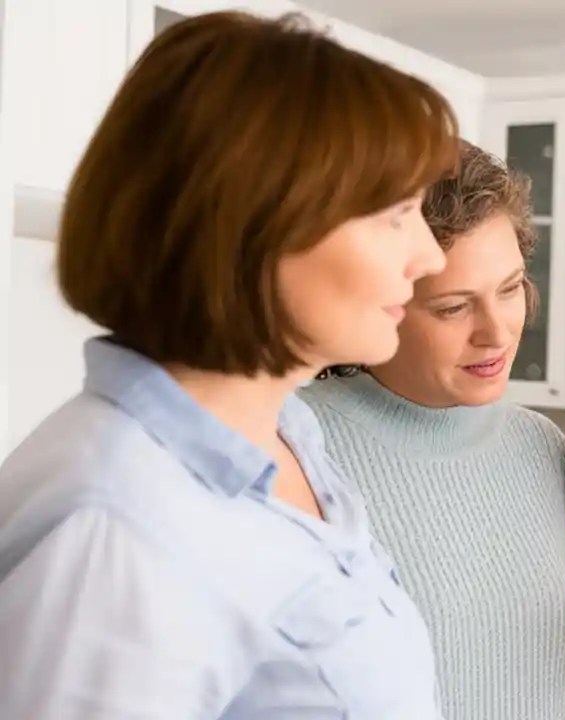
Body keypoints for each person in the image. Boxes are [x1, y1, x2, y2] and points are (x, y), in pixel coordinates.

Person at [0, 11, 459, 719]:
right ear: (256, 222)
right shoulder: (117, 526)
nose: (428, 258)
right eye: (395, 214)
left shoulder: (289, 437)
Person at [299, 141, 565, 720]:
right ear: (378, 302)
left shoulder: (540, 445)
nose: (497, 332)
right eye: (453, 307)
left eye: (510, 288)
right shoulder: (294, 445)